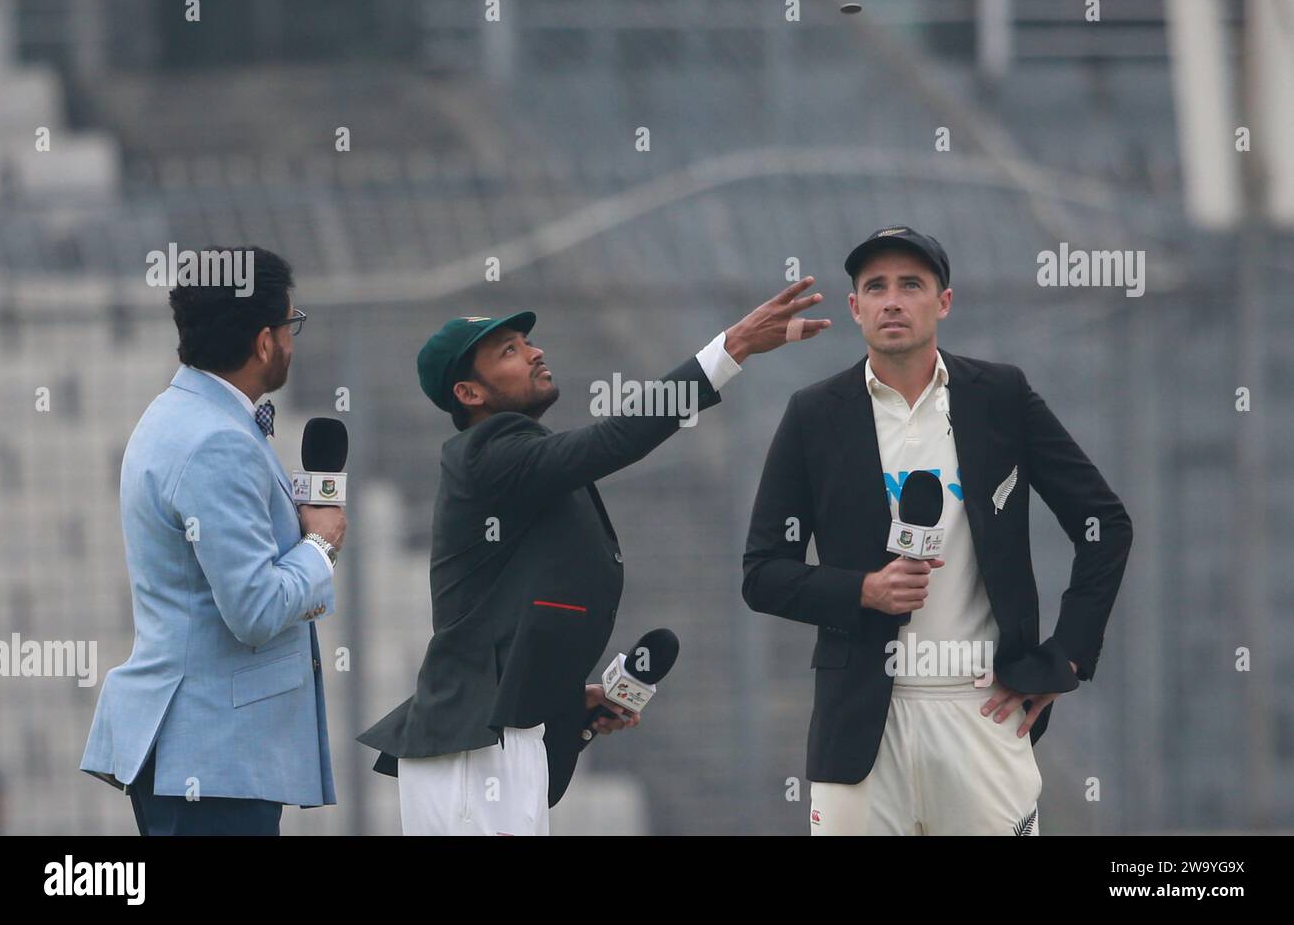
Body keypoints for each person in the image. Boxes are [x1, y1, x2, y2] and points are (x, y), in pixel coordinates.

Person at [357, 279, 830, 835]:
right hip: (474, 746)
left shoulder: (520, 459)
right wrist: (730, 349)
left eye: (527, 342)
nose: (535, 351)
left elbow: (517, 618)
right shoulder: (487, 454)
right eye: (509, 350)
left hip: (509, 738)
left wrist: (565, 699)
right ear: (469, 393)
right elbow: (616, 437)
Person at [743, 226, 1133, 835]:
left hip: (983, 711)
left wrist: (1068, 658)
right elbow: (762, 574)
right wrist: (862, 590)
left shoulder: (1000, 396)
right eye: (875, 287)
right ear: (855, 308)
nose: (891, 300)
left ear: (943, 302)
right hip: (860, 728)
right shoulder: (813, 414)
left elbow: (1104, 524)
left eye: (911, 285)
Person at [80, 247, 346, 835]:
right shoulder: (215, 442)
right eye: (290, 326)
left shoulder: (181, 414)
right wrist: (320, 545)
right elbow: (252, 610)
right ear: (264, 342)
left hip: (198, 756)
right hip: (211, 757)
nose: (293, 342)